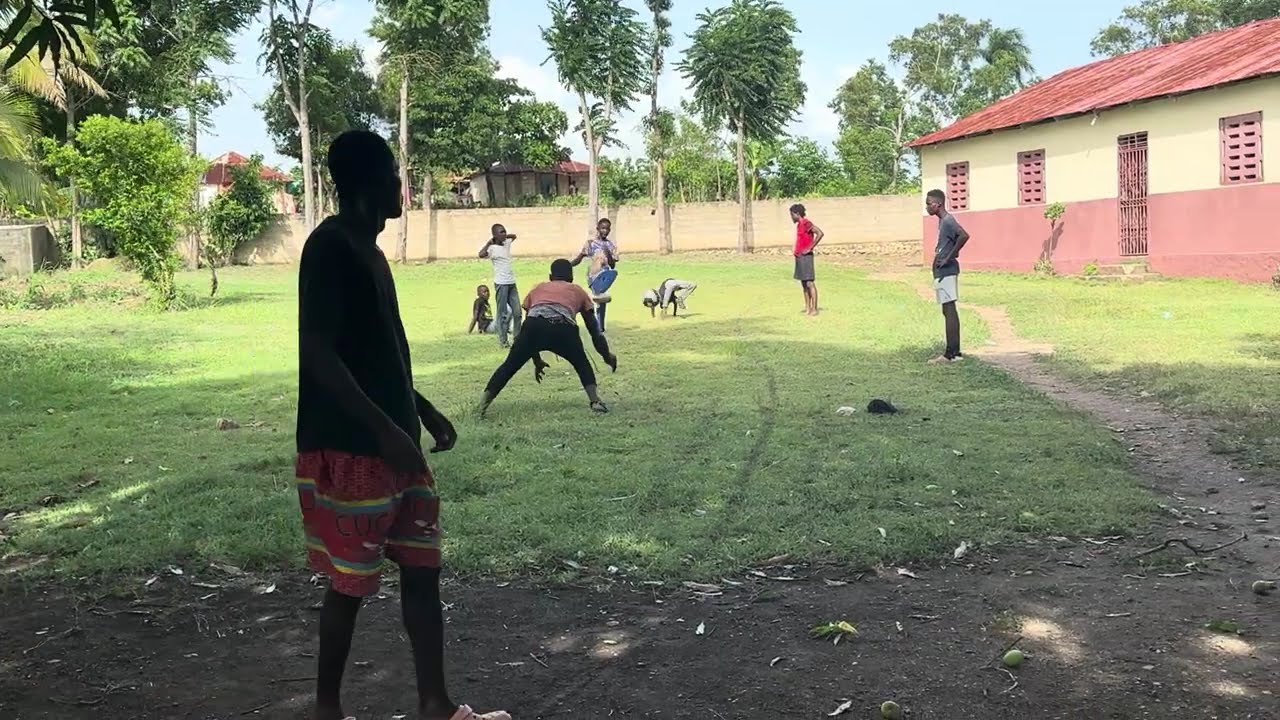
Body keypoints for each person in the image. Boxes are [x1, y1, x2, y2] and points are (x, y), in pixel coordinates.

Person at [295, 129, 509, 720]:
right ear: (365, 182)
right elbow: (319, 353)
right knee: (350, 582)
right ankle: (326, 708)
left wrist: (419, 408)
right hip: (350, 450)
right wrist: (386, 429)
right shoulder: (330, 247)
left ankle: (435, 705)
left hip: (395, 442)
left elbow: (374, 353)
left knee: (422, 569)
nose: (400, 184)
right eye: (392, 173)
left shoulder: (370, 251)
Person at [480, 259, 618, 415]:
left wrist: (536, 360)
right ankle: (595, 401)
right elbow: (594, 331)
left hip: (533, 325)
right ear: (571, 278)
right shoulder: (577, 290)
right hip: (563, 327)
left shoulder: (537, 289)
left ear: (550, 276)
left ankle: (482, 406)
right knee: (581, 363)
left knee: (508, 367)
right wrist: (607, 356)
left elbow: (529, 325)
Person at [925, 188, 970, 363]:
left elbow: (964, 236)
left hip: (947, 271)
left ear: (938, 204)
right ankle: (953, 352)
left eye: (929, 203)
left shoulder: (948, 221)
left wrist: (949, 257)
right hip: (942, 271)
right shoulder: (942, 222)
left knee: (949, 309)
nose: (927, 207)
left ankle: (951, 354)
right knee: (947, 309)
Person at [571, 218, 618, 332]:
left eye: (607, 229)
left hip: (606, 274)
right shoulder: (591, 243)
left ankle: (600, 326)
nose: (605, 231)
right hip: (594, 275)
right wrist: (568, 265)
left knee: (602, 300)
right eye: (602, 228)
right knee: (599, 298)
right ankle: (596, 325)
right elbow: (579, 258)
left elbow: (613, 266)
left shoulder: (611, 245)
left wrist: (608, 253)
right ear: (598, 229)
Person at [477, 224, 521, 347]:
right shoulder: (491, 249)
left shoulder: (506, 243)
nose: (504, 234)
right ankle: (503, 341)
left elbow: (514, 236)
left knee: (517, 312)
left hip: (511, 282)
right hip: (501, 284)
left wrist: (504, 236)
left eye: (504, 231)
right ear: (495, 235)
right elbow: (481, 254)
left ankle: (517, 339)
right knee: (502, 314)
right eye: (501, 232)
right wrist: (489, 242)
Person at [790, 203, 824, 316]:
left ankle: (814, 309)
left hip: (806, 258)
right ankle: (807, 308)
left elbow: (820, 233)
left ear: (797, 214)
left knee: (809, 283)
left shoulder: (806, 223)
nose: (791, 218)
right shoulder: (799, 225)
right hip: (799, 257)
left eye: (792, 215)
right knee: (803, 283)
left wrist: (810, 247)